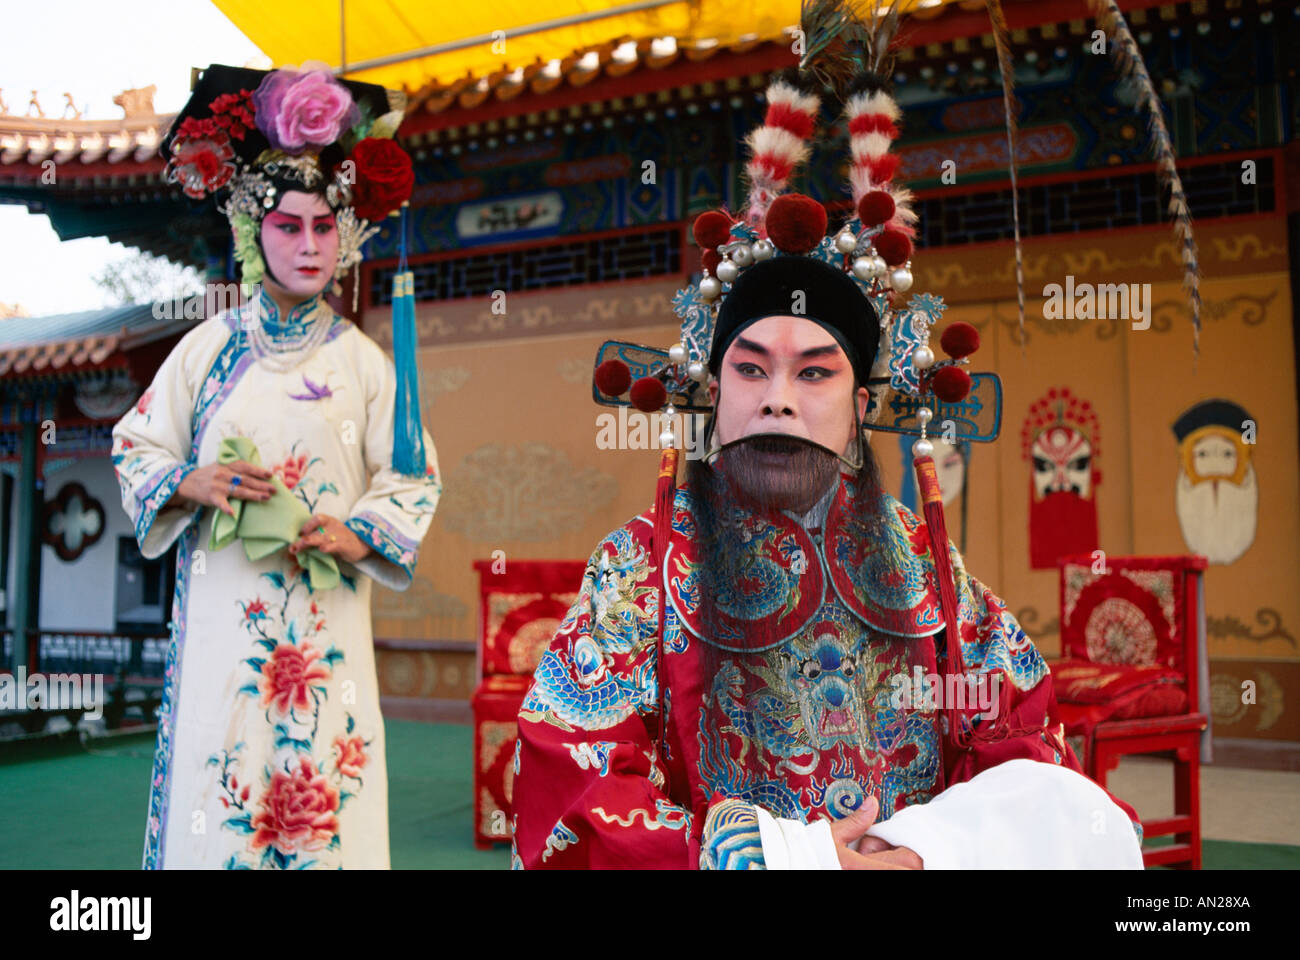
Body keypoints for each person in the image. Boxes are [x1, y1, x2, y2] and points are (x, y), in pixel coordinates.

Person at [510, 67, 1144, 870]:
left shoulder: (924, 567)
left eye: (814, 372)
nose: (778, 401)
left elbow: (1020, 738)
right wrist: (779, 858)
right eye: (749, 369)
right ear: (713, 392)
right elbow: (574, 778)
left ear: (860, 403)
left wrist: (921, 852)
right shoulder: (641, 570)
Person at [111, 63, 440, 869]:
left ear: (347, 237)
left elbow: (412, 475)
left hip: (328, 621)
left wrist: (357, 532)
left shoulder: (365, 365)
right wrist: (190, 481)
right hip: (226, 614)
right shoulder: (208, 350)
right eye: (289, 227)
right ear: (253, 236)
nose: (308, 245)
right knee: (221, 769)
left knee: (326, 778)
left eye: (324, 229)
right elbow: (135, 444)